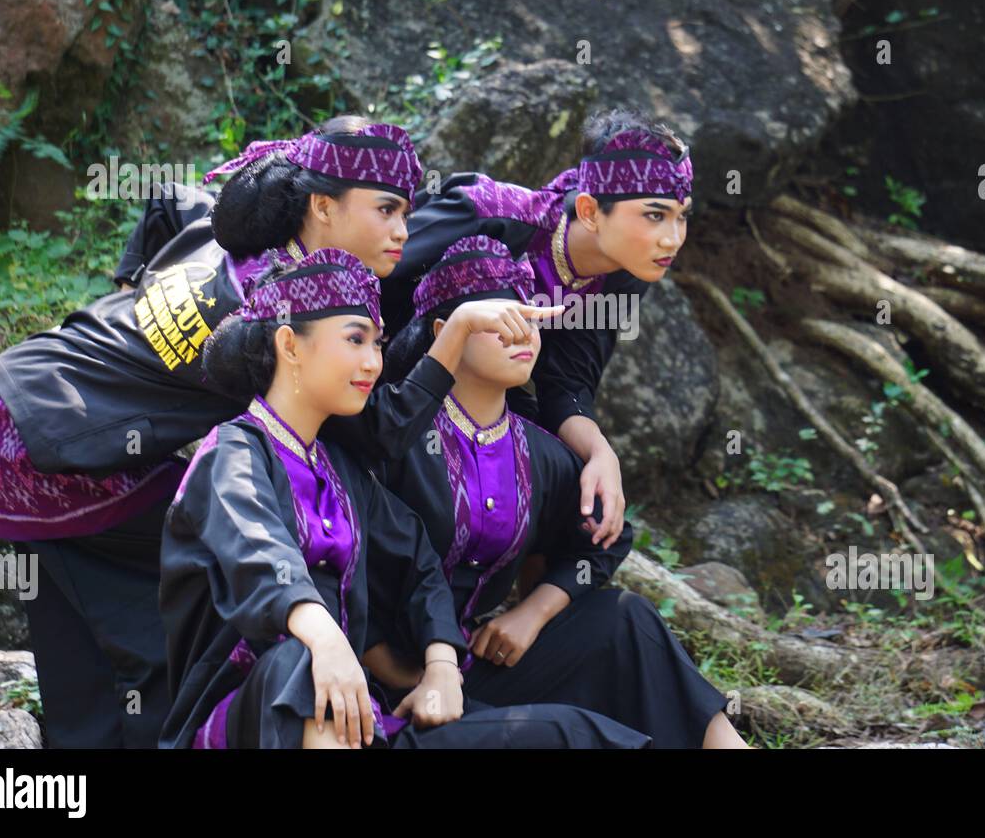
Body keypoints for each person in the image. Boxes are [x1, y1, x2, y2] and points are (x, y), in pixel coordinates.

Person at [0, 116, 528, 747]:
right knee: (182, 593)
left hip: (23, 393)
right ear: (321, 205)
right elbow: (379, 432)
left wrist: (131, 292)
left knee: (89, 616)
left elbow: (169, 201)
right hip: (45, 438)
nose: (403, 232)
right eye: (388, 210)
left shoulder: (242, 234)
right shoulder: (279, 302)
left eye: (409, 213)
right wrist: (452, 337)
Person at [161, 247, 649, 749]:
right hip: (250, 717)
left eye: (378, 343)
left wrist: (440, 666)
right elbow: (259, 555)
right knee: (301, 663)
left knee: (571, 735)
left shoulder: (342, 469)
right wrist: (326, 640)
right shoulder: (232, 453)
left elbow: (418, 565)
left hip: (361, 714)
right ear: (290, 344)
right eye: (355, 340)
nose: (373, 362)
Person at [371, 237, 747, 748]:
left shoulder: (538, 453)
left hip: (470, 669)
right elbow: (343, 576)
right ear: (446, 333)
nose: (522, 334)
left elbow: (605, 538)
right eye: (502, 323)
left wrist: (534, 612)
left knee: (624, 619)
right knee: (574, 735)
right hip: (384, 692)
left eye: (529, 319)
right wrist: (412, 673)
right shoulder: (395, 439)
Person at [380, 107, 694, 559]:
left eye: (681, 216)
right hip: (381, 386)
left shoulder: (628, 273)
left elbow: (566, 385)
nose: (672, 238)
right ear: (589, 210)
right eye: (654, 215)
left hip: (477, 407)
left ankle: (523, 603)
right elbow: (366, 277)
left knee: (584, 492)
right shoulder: (488, 214)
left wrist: (601, 452)